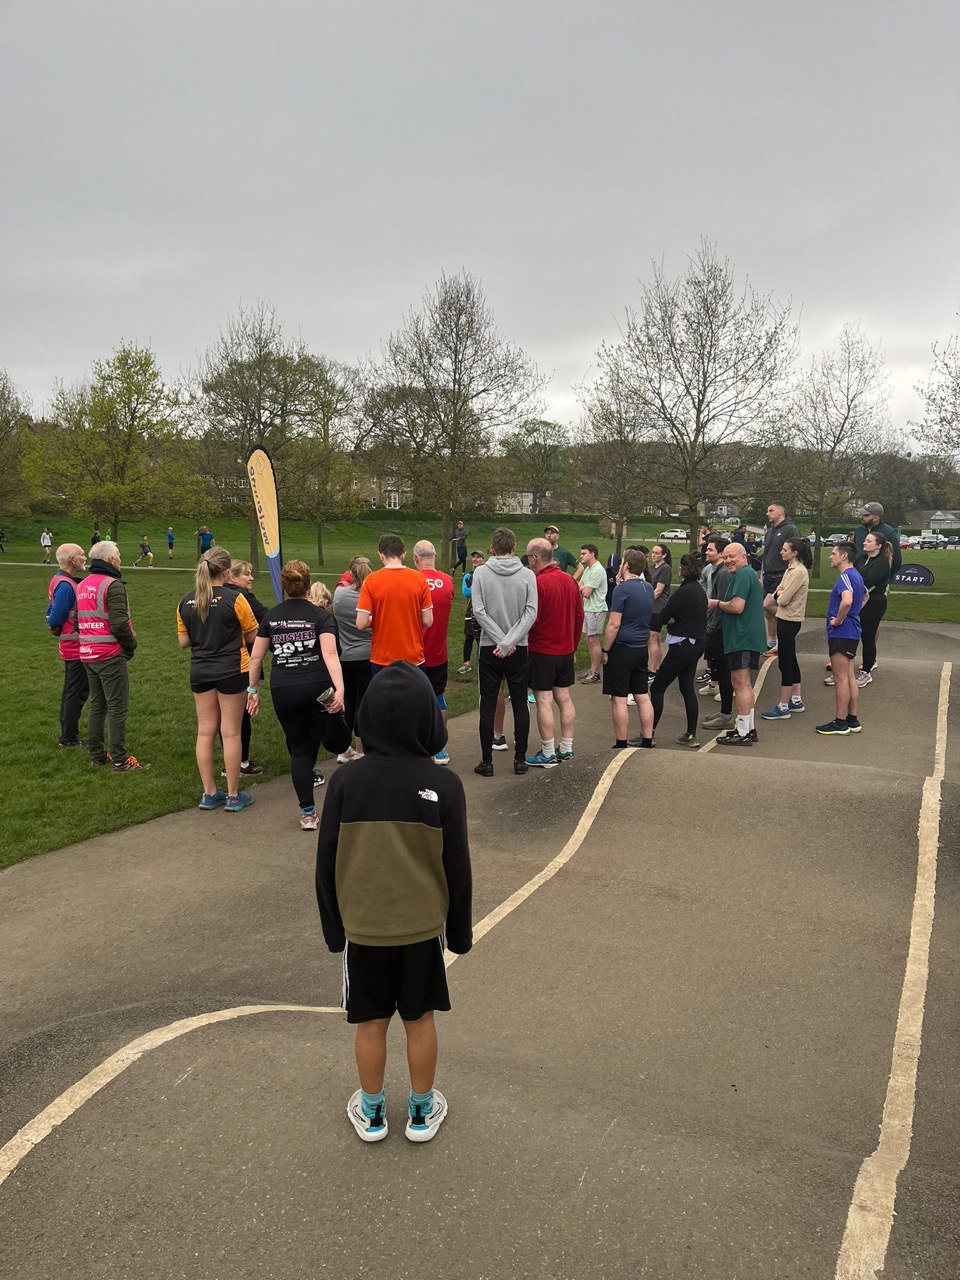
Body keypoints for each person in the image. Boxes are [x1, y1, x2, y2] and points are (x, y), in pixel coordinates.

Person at [315, 661, 472, 1144]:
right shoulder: (444, 785)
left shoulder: (344, 783)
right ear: (429, 720)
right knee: (420, 1019)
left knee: (370, 1021)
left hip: (364, 928)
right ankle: (422, 1112)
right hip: (422, 928)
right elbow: (457, 867)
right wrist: (460, 933)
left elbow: (326, 864)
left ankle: (373, 1111)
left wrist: (333, 929)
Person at [247, 560, 348, 829]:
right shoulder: (321, 616)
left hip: (284, 689)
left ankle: (308, 813)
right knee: (324, 739)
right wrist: (340, 689)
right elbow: (329, 654)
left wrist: (252, 690)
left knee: (300, 751)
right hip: (317, 687)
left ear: (285, 584)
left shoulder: (272, 616)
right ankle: (333, 731)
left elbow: (255, 656)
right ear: (308, 583)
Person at [177, 547, 259, 811]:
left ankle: (209, 792)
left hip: (200, 671)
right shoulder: (235, 599)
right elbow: (252, 636)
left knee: (205, 731)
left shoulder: (186, 600)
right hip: (231, 670)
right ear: (225, 572)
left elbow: (183, 641)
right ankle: (233, 795)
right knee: (231, 731)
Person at [470, 527, 537, 776]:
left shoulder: (480, 573)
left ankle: (487, 762)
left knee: (487, 704)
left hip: (492, 648)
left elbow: (478, 611)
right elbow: (531, 612)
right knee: (520, 703)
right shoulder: (528, 575)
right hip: (517, 648)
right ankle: (520, 760)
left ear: (492, 548)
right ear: (513, 547)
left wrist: (501, 641)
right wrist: (509, 642)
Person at [78, 540, 147, 771]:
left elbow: (78, 621)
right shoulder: (113, 585)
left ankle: (96, 755)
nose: (120, 559)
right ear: (110, 560)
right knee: (117, 707)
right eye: (118, 555)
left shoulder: (84, 584)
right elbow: (119, 624)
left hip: (87, 653)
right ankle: (119, 759)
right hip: (108, 654)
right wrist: (131, 646)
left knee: (98, 706)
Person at [524, 538, 583, 767]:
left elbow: (532, 618)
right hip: (565, 650)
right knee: (564, 698)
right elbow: (579, 616)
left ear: (535, 558)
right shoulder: (569, 580)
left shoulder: (538, 583)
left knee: (544, 699)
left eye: (529, 557)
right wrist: (574, 645)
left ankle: (548, 751)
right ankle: (566, 747)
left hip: (542, 651)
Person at [708, 540, 766, 747]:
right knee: (744, 684)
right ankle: (747, 728)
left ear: (744, 557)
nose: (728, 560)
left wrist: (716, 603)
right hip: (745, 637)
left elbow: (737, 606)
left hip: (743, 637)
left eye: (732, 556)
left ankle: (742, 731)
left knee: (740, 684)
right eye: (725, 557)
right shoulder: (747, 574)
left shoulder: (743, 574)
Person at [649, 553, 707, 747]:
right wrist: (673, 618)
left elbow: (663, 616)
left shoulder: (684, 591)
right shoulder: (698, 590)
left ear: (683, 569)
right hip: (695, 645)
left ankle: (649, 733)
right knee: (686, 687)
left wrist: (671, 620)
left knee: (657, 687)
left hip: (681, 645)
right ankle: (691, 734)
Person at [601, 548, 655, 748]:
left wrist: (606, 649)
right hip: (641, 647)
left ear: (626, 565)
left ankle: (621, 741)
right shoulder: (648, 587)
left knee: (619, 698)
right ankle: (647, 739)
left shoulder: (621, 590)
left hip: (622, 648)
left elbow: (614, 624)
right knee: (642, 695)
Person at [356, 534, 433, 671]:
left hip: (382, 658)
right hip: (413, 657)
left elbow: (361, 623)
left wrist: (379, 618)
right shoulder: (420, 579)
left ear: (381, 555)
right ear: (403, 555)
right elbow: (428, 621)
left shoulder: (371, 581)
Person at [222, 559, 267, 778]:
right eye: (246, 574)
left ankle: (229, 762)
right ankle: (241, 763)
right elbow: (267, 617)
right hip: (239, 661)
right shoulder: (242, 597)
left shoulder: (214, 595)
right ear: (232, 577)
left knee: (224, 717)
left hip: (212, 663)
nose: (251, 578)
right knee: (241, 716)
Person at [413, 539, 455, 765]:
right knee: (438, 699)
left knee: (413, 701)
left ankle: (417, 745)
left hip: (415, 653)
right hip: (439, 652)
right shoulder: (448, 581)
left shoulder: (412, 580)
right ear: (435, 556)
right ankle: (440, 746)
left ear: (415, 559)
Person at [818, 542, 866, 736]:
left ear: (844, 556)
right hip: (852, 631)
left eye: (833, 553)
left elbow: (847, 600)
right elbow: (865, 598)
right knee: (849, 676)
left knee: (840, 678)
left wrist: (838, 620)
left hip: (842, 633)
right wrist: (853, 615)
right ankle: (852, 719)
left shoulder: (845, 577)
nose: (830, 557)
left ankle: (840, 722)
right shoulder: (857, 576)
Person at [761, 538, 811, 721]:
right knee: (791, 658)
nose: (781, 552)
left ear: (794, 552)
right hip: (784, 617)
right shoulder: (790, 569)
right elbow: (780, 591)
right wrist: (779, 593)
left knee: (785, 662)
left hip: (789, 619)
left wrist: (778, 594)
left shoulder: (798, 572)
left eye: (784, 549)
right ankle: (796, 700)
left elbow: (782, 599)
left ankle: (783, 706)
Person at [46, 543, 89, 748]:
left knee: (72, 690)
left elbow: (51, 611)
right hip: (75, 646)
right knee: (76, 691)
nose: (85, 558)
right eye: (81, 555)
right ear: (72, 560)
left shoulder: (61, 580)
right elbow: (57, 614)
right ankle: (69, 738)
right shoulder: (65, 585)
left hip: (72, 646)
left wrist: (51, 622)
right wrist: (52, 624)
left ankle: (68, 734)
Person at [332, 556, 374, 762]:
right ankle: (361, 748)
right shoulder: (371, 597)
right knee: (362, 702)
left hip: (344, 656)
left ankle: (344, 749)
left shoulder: (338, 594)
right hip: (367, 655)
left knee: (346, 701)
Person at [700, 537, 735, 733]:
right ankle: (724, 712)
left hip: (720, 629)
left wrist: (711, 628)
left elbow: (721, 604)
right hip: (716, 625)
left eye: (710, 550)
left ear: (720, 553)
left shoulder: (722, 574)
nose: (706, 552)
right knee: (720, 668)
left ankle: (726, 713)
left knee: (724, 670)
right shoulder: (716, 572)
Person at [761, 503, 800, 654]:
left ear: (781, 512)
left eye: (771, 510)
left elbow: (797, 552)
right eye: (767, 510)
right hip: (768, 575)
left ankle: (783, 640)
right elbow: (767, 554)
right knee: (768, 612)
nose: (767, 513)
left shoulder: (790, 529)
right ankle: (772, 642)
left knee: (773, 607)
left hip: (782, 575)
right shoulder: (769, 532)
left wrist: (790, 576)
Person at [855, 530, 893, 685]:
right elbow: (849, 574)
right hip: (859, 600)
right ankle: (842, 668)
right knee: (851, 634)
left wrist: (856, 577)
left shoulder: (882, 562)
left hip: (874, 602)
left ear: (878, 546)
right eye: (865, 540)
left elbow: (869, 581)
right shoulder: (862, 558)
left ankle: (866, 672)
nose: (865, 543)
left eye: (869, 541)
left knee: (867, 636)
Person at [577, 543, 608, 683]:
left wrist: (583, 587)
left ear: (592, 554)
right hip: (588, 609)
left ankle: (595, 673)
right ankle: (592, 669)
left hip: (596, 609)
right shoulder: (588, 569)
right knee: (589, 640)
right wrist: (583, 587)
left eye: (584, 553)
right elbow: (580, 586)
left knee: (594, 640)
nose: (581, 556)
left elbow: (587, 592)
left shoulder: (597, 570)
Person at [853, 503, 902, 575]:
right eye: (862, 514)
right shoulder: (858, 531)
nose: (862, 517)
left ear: (876, 518)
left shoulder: (888, 532)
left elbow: (896, 559)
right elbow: (855, 552)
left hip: (878, 577)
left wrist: (886, 578)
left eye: (866, 515)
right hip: (858, 575)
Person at [457, 550, 486, 674]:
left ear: (483, 560)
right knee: (469, 637)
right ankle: (466, 664)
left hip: (485, 611)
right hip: (470, 610)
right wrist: (478, 588)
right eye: (473, 557)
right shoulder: (468, 576)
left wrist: (474, 588)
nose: (475, 559)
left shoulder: (487, 574)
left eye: (478, 557)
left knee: (484, 638)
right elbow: (465, 591)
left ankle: (483, 663)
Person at [646, 544, 673, 673]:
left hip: (658, 607)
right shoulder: (651, 568)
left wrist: (645, 601)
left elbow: (658, 591)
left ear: (664, 555)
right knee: (655, 639)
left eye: (657, 553)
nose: (654, 555)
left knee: (652, 637)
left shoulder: (665, 569)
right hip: (651, 607)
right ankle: (658, 666)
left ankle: (652, 669)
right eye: (653, 552)